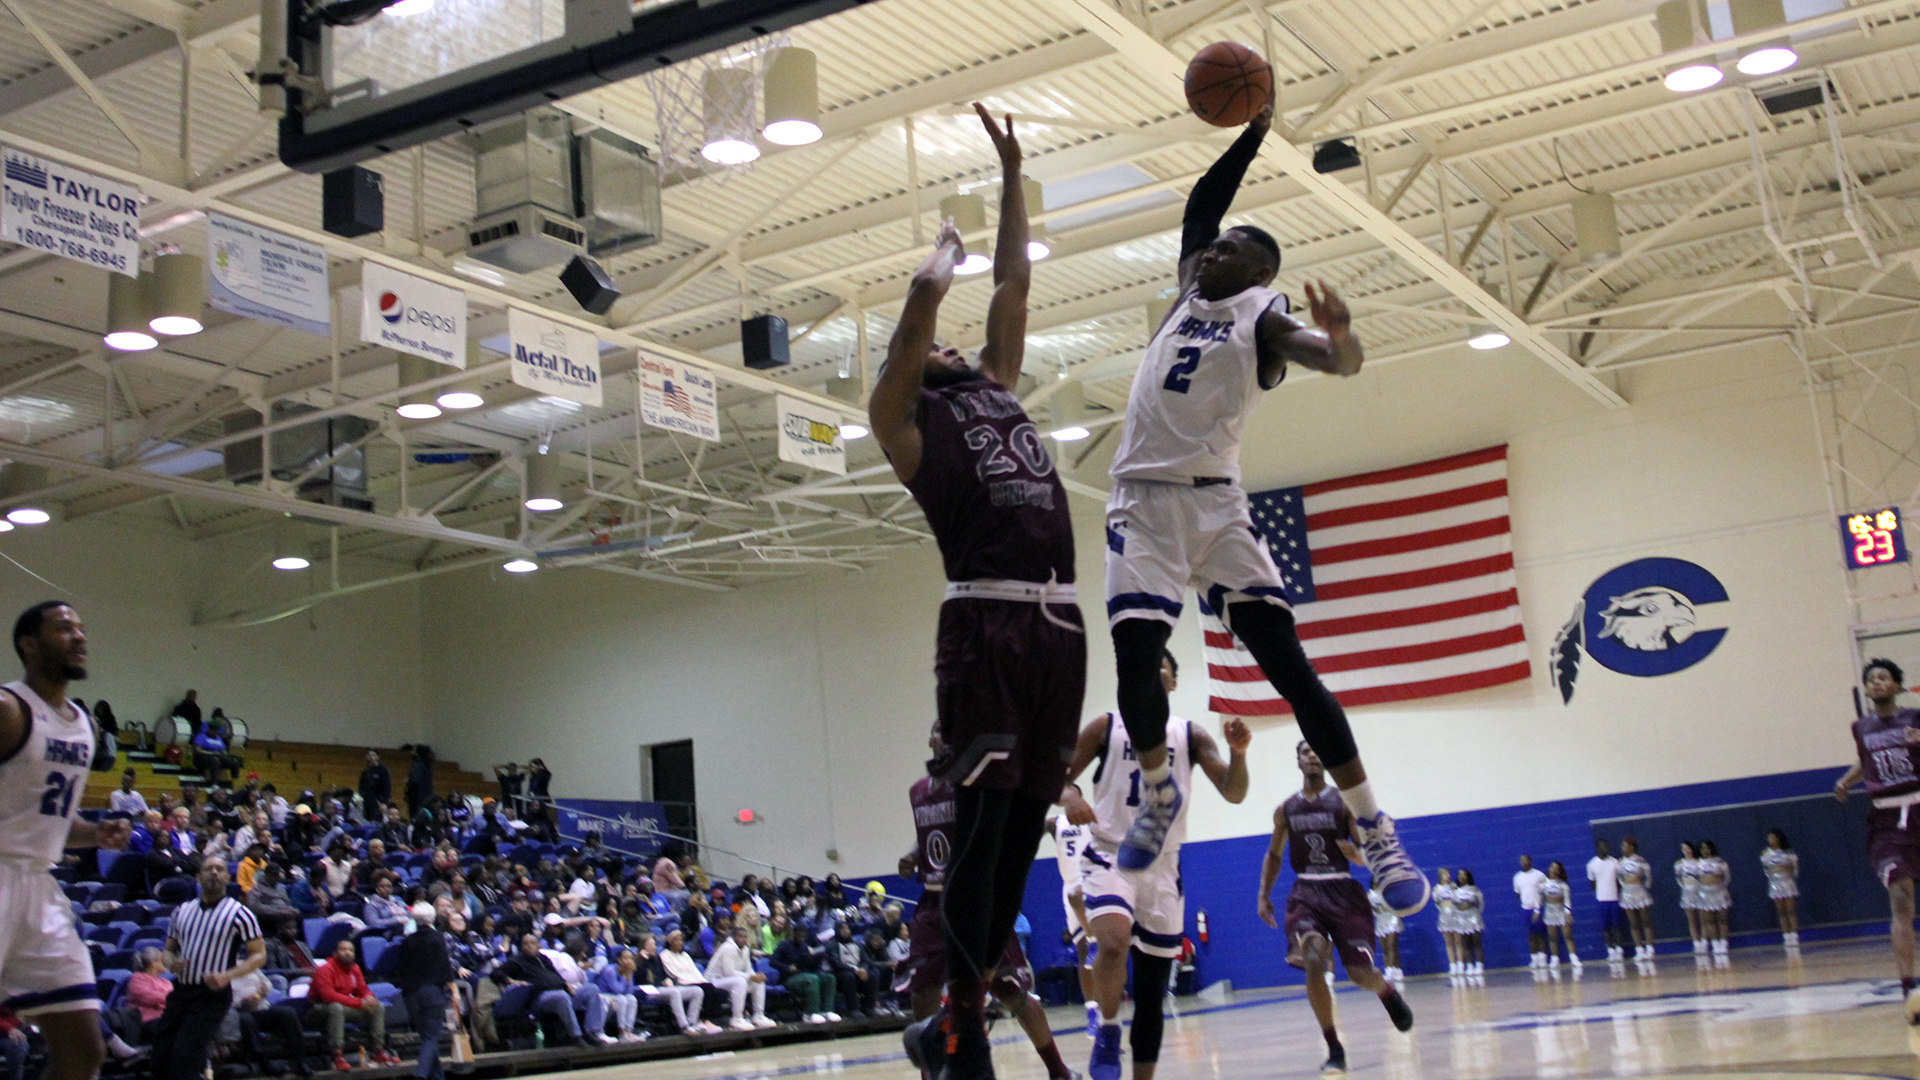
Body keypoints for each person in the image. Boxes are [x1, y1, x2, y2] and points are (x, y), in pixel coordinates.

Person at [1096, 99, 1424, 921]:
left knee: (1289, 667)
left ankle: (1374, 826)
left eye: (1231, 249)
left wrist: (1342, 341)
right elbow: (1202, 204)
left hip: (1216, 508)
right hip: (1142, 502)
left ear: (1259, 273)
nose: (1212, 250)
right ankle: (1160, 793)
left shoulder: (1263, 320)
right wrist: (1252, 132)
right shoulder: (1188, 288)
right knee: (1135, 659)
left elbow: (1335, 362)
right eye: (1212, 246)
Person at [868, 104, 1084, 1080]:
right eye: (935, 345)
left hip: (1058, 624)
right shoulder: (905, 422)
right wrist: (934, 269)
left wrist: (1011, 176)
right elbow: (920, 318)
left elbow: (1016, 282)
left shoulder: (995, 383)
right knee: (981, 831)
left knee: (1025, 828)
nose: (953, 343)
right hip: (985, 620)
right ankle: (959, 1026)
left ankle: (957, 1017)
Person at [1063, 652, 1249, 1080]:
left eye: (1159, 666)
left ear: (1174, 682)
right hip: (1110, 853)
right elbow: (1059, 774)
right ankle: (1108, 1028)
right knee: (1113, 943)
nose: (1149, 671)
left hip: (1163, 865)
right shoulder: (1105, 727)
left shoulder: (1190, 735)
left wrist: (1238, 754)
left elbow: (1234, 792)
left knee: (1151, 994)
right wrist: (1071, 795)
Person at [0, 601, 128, 1080]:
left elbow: (50, 813)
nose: (79, 636)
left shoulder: (84, 725)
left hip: (39, 887)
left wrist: (94, 832)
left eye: (80, 628)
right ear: (29, 645)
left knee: (83, 1050)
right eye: (63, 628)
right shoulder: (9, 710)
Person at [1256, 742, 1412, 1076]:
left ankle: (1386, 991)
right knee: (1314, 959)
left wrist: (1358, 855)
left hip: (1343, 890)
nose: (1312, 754)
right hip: (1306, 891)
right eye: (1305, 752)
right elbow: (1274, 854)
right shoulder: (1286, 809)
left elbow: (1367, 849)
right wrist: (1263, 894)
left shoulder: (1343, 803)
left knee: (1359, 974)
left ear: (1324, 760)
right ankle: (1334, 1047)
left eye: (1317, 750)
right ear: (1298, 761)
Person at [1836, 657, 1920, 1020]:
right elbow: (1864, 761)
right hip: (1886, 819)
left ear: (1897, 686)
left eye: (1884, 677)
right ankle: (1909, 988)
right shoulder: (1861, 727)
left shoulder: (1915, 718)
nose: (1877, 682)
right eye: (1871, 678)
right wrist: (1846, 780)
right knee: (1900, 899)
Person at [156, 855, 268, 1080]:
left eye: (220, 869)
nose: (214, 872)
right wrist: (171, 962)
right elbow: (167, 951)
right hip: (181, 991)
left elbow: (260, 955)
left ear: (227, 877)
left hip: (211, 995)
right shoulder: (182, 911)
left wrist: (228, 975)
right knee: (159, 1057)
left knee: (184, 1058)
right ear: (198, 877)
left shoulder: (240, 913)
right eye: (209, 868)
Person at [1047, 804, 1097, 1036]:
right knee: (1083, 952)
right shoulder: (1056, 823)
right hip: (1070, 884)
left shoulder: (1092, 815)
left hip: (1093, 878)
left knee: (1108, 952)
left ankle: (1109, 1015)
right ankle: (1092, 1014)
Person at [310, 938, 394, 1069]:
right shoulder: (325, 969)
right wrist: (359, 1002)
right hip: (318, 1009)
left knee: (378, 1007)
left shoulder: (355, 968)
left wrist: (369, 998)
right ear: (335, 953)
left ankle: (378, 1050)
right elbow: (328, 996)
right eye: (343, 950)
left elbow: (363, 990)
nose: (347, 953)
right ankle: (336, 1055)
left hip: (342, 1007)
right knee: (336, 1007)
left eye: (350, 950)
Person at [394, 903, 455, 1080]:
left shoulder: (407, 941)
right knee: (431, 1038)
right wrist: (454, 991)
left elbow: (401, 969)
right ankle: (420, 1075)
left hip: (411, 995)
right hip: (432, 993)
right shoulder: (438, 938)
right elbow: (446, 967)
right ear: (432, 918)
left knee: (427, 1038)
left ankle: (438, 1077)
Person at [636, 933, 709, 1034]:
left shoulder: (657, 958)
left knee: (697, 991)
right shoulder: (638, 961)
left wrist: (668, 980)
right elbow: (642, 979)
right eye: (650, 945)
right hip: (649, 991)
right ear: (643, 947)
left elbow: (663, 975)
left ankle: (692, 1022)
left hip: (662, 988)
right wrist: (645, 960)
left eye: (654, 944)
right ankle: (684, 1026)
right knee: (675, 992)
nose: (653, 947)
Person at [705, 925, 773, 1031]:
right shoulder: (728, 948)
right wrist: (750, 977)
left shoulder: (745, 949)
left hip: (729, 980)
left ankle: (759, 1016)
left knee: (759, 982)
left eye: (745, 937)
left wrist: (756, 976)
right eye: (740, 936)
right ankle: (737, 1018)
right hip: (713, 981)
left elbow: (748, 969)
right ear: (734, 937)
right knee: (740, 982)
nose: (743, 939)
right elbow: (729, 972)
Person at [591, 948, 649, 1043]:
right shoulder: (610, 970)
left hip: (614, 998)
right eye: (626, 958)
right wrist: (627, 975)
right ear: (619, 960)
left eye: (631, 958)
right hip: (603, 997)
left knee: (632, 999)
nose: (629, 961)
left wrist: (629, 975)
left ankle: (628, 1031)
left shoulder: (627, 970)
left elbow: (629, 991)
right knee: (622, 999)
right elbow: (617, 990)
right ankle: (621, 1032)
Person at [1587, 838, 1626, 963]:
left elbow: (1620, 881)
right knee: (1605, 927)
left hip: (1614, 899)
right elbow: (1592, 883)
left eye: (1607, 846)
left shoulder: (1615, 862)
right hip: (1602, 900)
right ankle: (1610, 950)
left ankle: (1619, 950)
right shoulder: (1592, 864)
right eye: (1603, 846)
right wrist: (1601, 893)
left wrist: (1614, 892)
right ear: (1597, 848)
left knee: (1617, 925)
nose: (1606, 849)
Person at [1762, 829, 1801, 950]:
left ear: (1778, 839)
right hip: (1775, 884)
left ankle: (1794, 935)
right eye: (1769, 838)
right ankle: (1786, 935)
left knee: (1790, 910)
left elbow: (1795, 869)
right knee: (1781, 910)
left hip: (1787, 882)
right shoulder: (1766, 854)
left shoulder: (1788, 853)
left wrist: (1788, 872)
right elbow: (1766, 869)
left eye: (1773, 838)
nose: (1770, 840)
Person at [1618, 837, 1656, 962]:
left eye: (1624, 846)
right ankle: (1639, 949)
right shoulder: (1620, 862)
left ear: (1631, 847)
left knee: (1646, 921)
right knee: (1633, 923)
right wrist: (1625, 886)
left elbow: (1648, 877)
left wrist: (1644, 887)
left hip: (1640, 892)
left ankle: (1650, 948)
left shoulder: (1641, 861)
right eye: (1622, 846)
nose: (1622, 848)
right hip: (1627, 894)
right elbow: (1619, 877)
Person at [1696, 839, 1732, 966]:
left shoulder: (1720, 862)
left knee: (1722, 919)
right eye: (1702, 848)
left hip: (1719, 892)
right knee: (1710, 920)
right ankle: (1715, 944)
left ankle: (1723, 943)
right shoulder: (1698, 863)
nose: (1705, 850)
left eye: (1707, 848)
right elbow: (1696, 879)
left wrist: (1720, 886)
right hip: (1705, 894)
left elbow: (1727, 877)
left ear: (1711, 849)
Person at [1540, 862, 1578, 973]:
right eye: (1552, 867)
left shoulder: (1563, 885)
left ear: (1559, 871)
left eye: (1556, 868)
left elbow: (1567, 899)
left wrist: (1567, 911)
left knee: (1568, 935)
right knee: (1552, 937)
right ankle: (1554, 959)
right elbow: (1541, 899)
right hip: (1550, 912)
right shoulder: (1544, 885)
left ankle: (1574, 958)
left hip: (1561, 911)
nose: (1553, 870)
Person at [1513, 854, 1548, 968]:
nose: (1524, 862)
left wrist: (1538, 908)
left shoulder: (1539, 875)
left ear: (1530, 861)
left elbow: (1545, 891)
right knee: (1531, 934)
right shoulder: (1517, 877)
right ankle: (1534, 959)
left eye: (1526, 860)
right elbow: (1518, 894)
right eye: (1522, 861)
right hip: (1526, 909)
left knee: (1540, 934)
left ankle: (1542, 959)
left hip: (1538, 908)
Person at [1453, 869, 1485, 981]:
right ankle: (1469, 965)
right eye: (1459, 875)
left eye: (1464, 875)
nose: (1461, 877)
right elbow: (1453, 904)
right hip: (1462, 918)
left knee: (1476, 941)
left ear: (1468, 877)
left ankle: (1479, 965)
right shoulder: (1455, 891)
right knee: (1465, 943)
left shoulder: (1474, 889)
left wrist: (1476, 913)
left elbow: (1481, 904)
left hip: (1473, 917)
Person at [1675, 841, 1704, 957]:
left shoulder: (1698, 862)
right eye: (1684, 849)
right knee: (1691, 919)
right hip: (1687, 892)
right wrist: (1685, 887)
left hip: (1699, 892)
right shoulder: (1679, 864)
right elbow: (1678, 879)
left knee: (1703, 918)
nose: (1686, 850)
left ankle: (1704, 941)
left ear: (1691, 849)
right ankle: (1696, 942)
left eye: (1688, 848)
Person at [1369, 889, 1401, 983]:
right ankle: (1392, 969)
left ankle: (1391, 970)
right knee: (1385, 947)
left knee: (1391, 945)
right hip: (1381, 920)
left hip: (1392, 919)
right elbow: (1372, 909)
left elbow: (1397, 904)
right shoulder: (1371, 895)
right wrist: (1375, 909)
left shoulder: (1390, 891)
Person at [1433, 868, 1458, 978]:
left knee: (1458, 941)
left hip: (1455, 914)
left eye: (1448, 874)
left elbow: (1458, 899)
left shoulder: (1454, 886)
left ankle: (1460, 964)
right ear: (1440, 876)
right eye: (1445, 874)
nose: (1448, 876)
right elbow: (1436, 902)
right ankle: (1452, 965)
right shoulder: (1437, 889)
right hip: (1444, 915)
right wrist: (1443, 909)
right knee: (1449, 942)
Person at [358, 753, 391, 818]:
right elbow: (361, 786)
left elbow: (387, 787)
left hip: (378, 801)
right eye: (369, 755)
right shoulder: (365, 771)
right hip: (367, 801)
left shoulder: (382, 770)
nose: (371, 757)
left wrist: (383, 801)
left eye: (373, 755)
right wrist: (362, 796)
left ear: (377, 757)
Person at [406, 746, 435, 820]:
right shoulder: (427, 765)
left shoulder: (418, 765)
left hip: (417, 798)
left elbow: (414, 781)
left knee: (416, 818)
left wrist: (408, 793)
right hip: (426, 797)